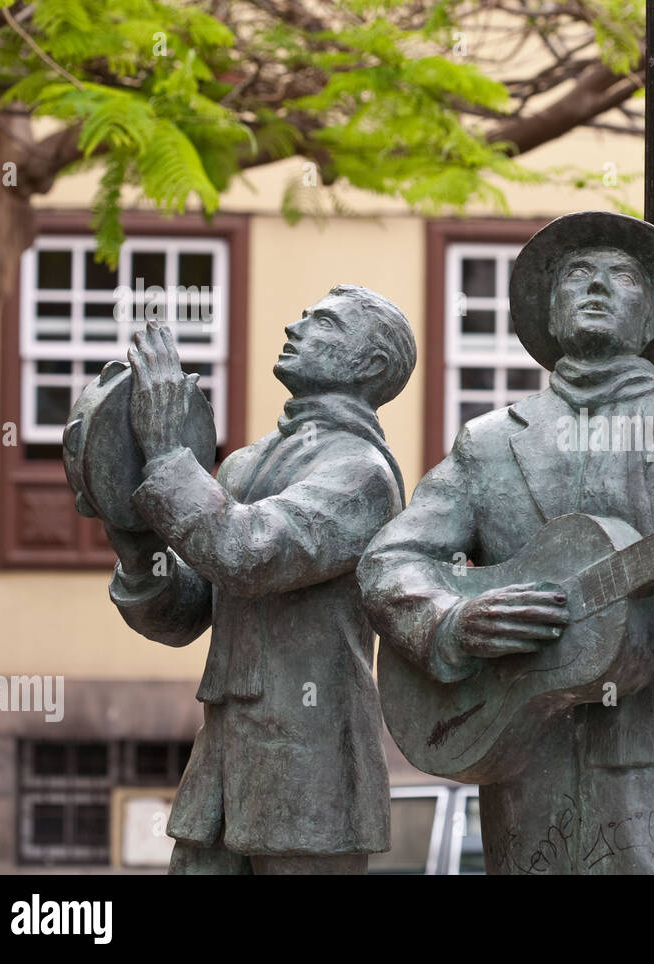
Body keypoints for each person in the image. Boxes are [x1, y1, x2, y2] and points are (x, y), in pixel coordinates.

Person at [359, 212, 654, 874]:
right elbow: (390, 561)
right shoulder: (488, 444)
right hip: (525, 768)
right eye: (578, 274)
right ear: (550, 314)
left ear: (652, 317)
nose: (598, 286)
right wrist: (456, 620)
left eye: (623, 276)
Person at [104, 285, 414, 874]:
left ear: (368, 366)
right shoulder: (246, 462)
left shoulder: (361, 474)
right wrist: (136, 538)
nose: (296, 326)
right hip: (220, 771)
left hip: (312, 770)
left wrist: (168, 456)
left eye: (324, 323)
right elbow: (185, 612)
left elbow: (246, 554)